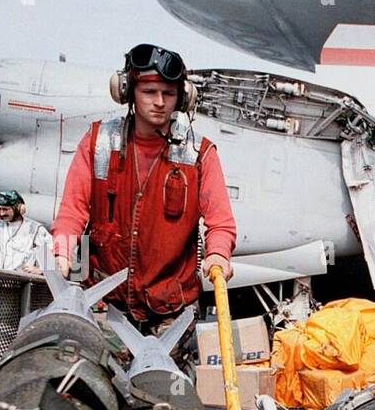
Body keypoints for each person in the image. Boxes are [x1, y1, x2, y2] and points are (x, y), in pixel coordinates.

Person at [51, 44, 236, 341]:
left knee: (163, 385)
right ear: (128, 92)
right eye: (149, 92)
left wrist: (218, 255)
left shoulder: (200, 154)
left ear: (182, 98)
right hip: (104, 304)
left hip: (171, 310)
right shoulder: (98, 141)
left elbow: (221, 224)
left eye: (169, 93)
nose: (160, 102)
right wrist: (62, 253)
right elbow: (73, 211)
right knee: (95, 384)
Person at [0, 190, 49, 274]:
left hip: (21, 281)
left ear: (19, 208)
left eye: (5, 209)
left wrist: (40, 270)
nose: (2, 213)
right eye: (0, 209)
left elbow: (52, 251)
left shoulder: (34, 228)